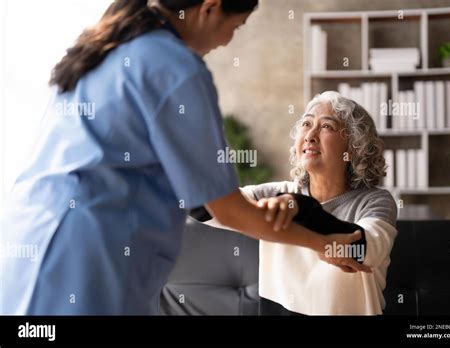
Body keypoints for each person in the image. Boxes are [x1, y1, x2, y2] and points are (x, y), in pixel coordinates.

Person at [0, 1, 369, 315]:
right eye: (236, 27)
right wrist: (321, 244)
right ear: (210, 7)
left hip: (31, 244)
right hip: (84, 258)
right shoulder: (175, 67)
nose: (227, 41)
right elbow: (228, 210)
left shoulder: (107, 45)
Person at [239, 91, 398, 315]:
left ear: (353, 147)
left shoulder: (374, 201)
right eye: (306, 123)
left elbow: (361, 247)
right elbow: (202, 209)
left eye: (326, 127)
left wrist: (300, 208)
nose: (310, 135)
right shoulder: (277, 193)